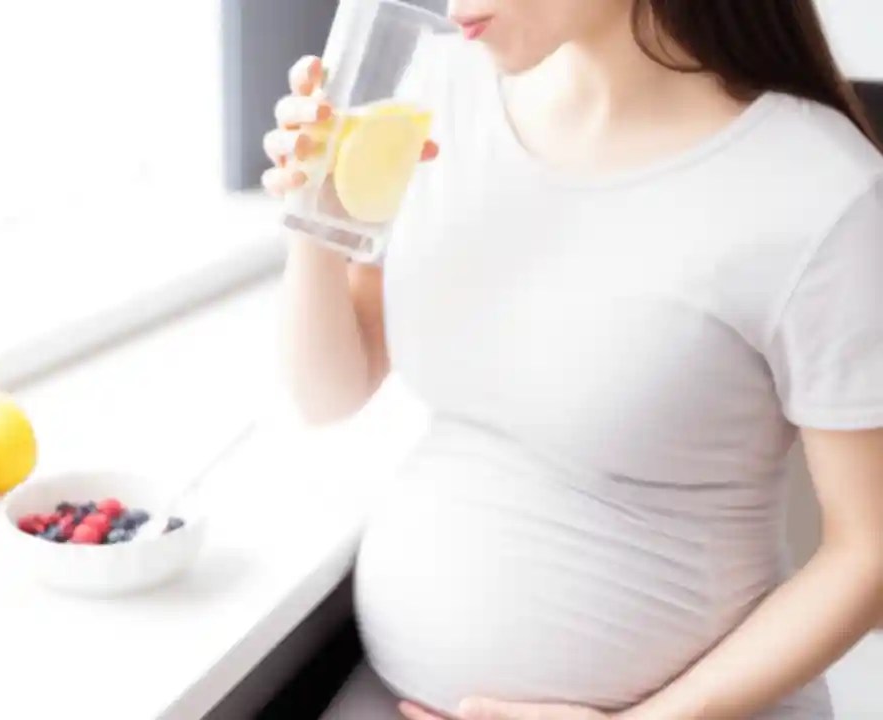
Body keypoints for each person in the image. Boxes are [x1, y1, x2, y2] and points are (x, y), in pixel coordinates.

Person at [264, 1, 883, 718]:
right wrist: (314, 217)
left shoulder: (819, 186)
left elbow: (870, 555)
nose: (455, 3)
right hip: (399, 695)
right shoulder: (438, 90)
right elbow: (329, 392)